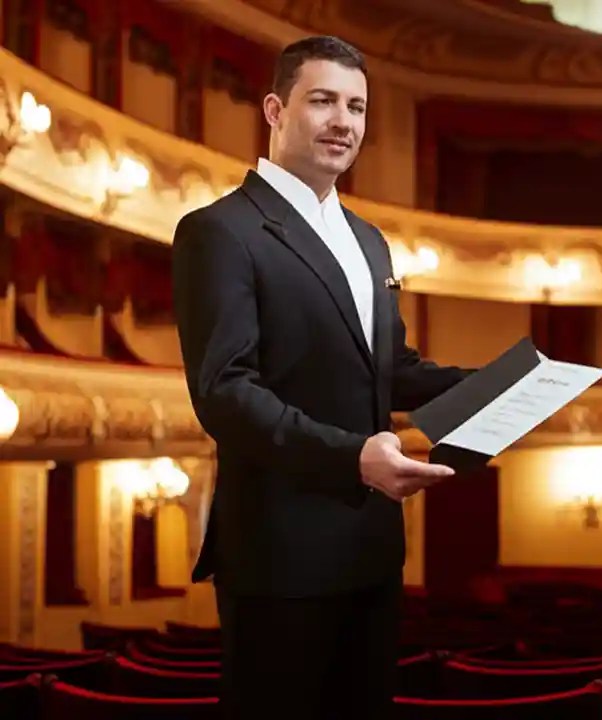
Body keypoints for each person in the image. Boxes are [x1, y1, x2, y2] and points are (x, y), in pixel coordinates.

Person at [171, 36, 470, 718]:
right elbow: (225, 391)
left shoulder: (369, 239)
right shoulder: (220, 231)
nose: (345, 122)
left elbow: (390, 371)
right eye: (324, 101)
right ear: (275, 110)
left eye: (358, 107)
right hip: (279, 554)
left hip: (372, 550)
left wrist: (507, 385)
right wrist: (354, 458)